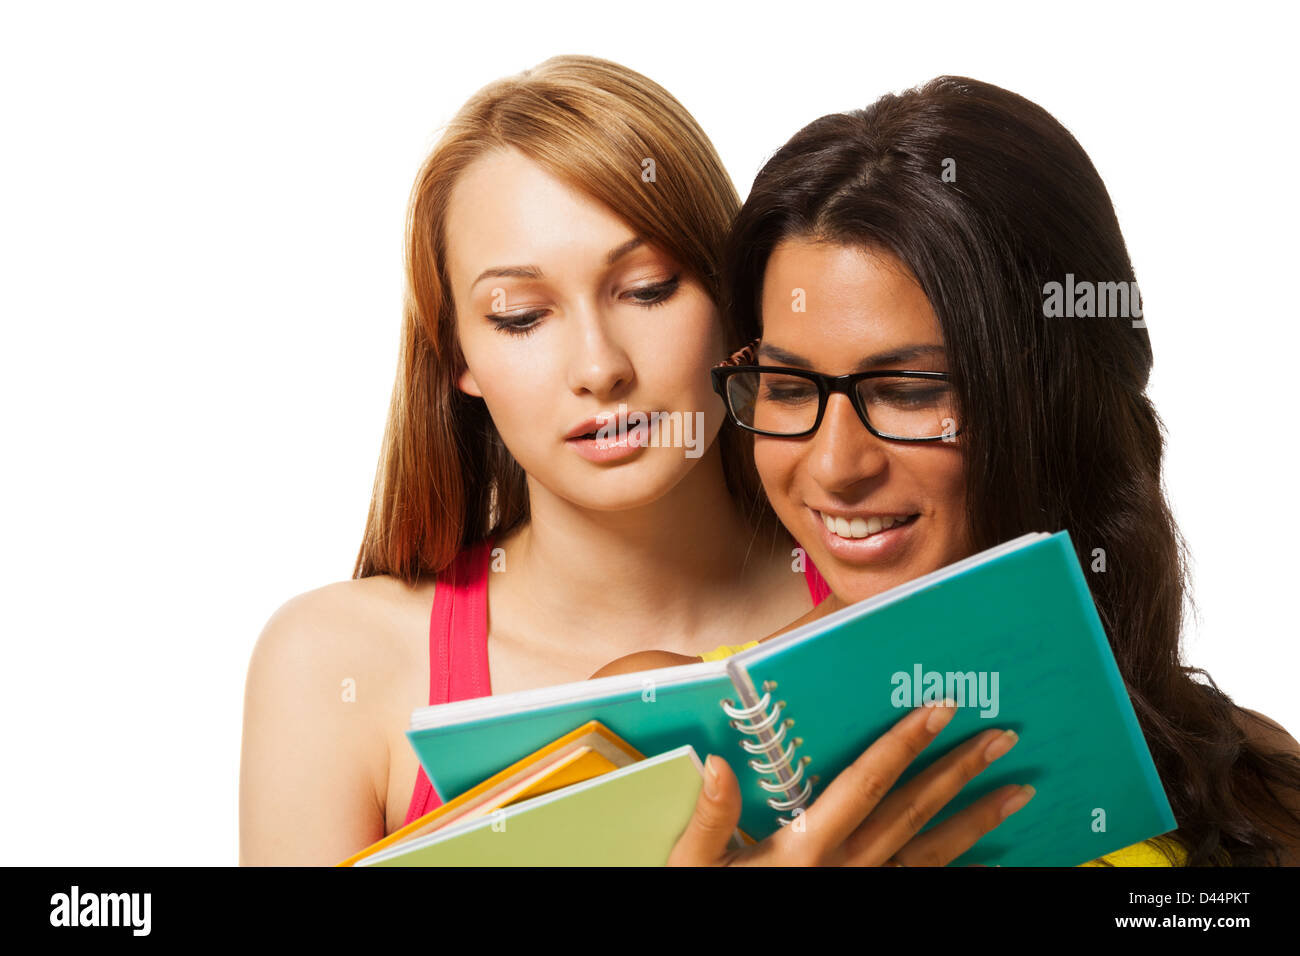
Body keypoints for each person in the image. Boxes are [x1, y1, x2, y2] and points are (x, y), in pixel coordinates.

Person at [241, 54, 949, 866]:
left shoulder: (899, 576)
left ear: (735, 302)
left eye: (648, 289)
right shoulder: (335, 665)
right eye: (519, 317)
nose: (598, 366)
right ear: (457, 357)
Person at [605, 76, 1300, 867]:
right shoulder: (655, 743)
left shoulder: (1247, 774)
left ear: (1051, 401)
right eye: (790, 388)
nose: (835, 466)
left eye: (906, 391)